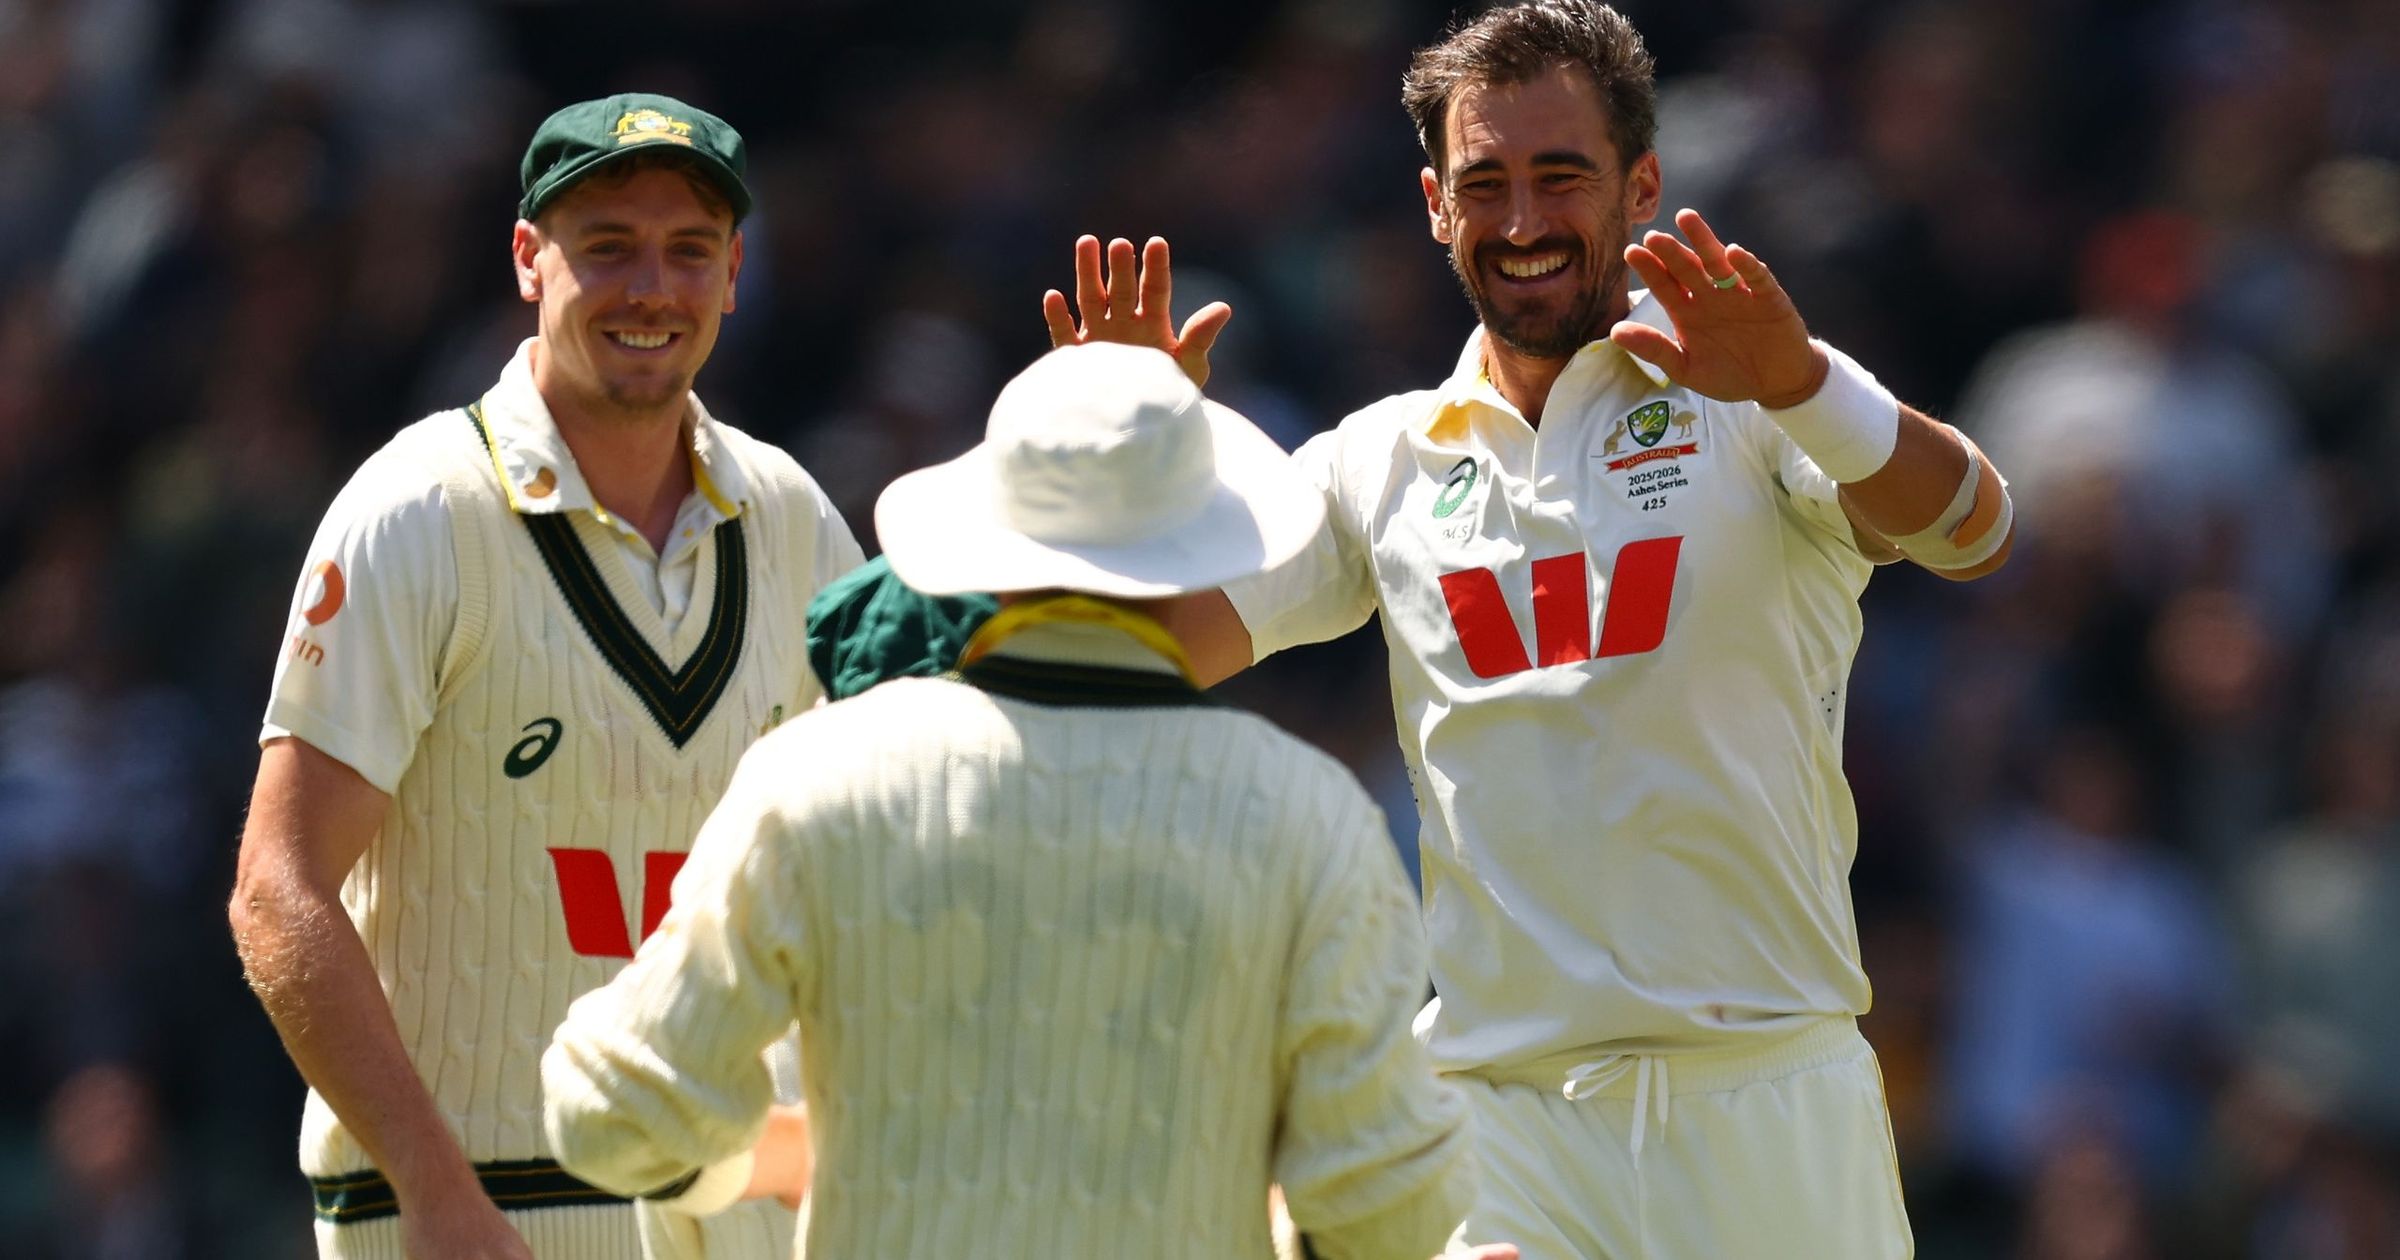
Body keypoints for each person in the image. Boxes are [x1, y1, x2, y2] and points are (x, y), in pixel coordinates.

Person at [1031, 3, 2018, 1256]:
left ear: (1642, 184)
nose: (1523, 222)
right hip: (1503, 1121)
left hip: (1768, 1086)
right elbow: (1137, 653)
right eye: (1484, 183)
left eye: (1562, 177)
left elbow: (1973, 529)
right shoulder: (1380, 459)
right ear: (1437, 205)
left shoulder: (1751, 393)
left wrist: (1803, 383)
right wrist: (1129, 479)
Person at [540, 342, 1497, 1259]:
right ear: (1203, 551)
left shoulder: (818, 779)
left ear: (989, 543)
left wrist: (759, 1162)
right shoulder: (1308, 818)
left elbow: (611, 1115)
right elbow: (1385, 1210)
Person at [228, 92, 862, 1260]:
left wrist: (1104, 455)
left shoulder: (797, 523)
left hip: (746, 1215)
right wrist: (434, 1192)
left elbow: (903, 848)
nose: (650, 291)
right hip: (472, 1217)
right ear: (530, 258)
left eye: (689, 251)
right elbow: (278, 889)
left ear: (733, 275)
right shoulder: (418, 511)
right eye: (607, 247)